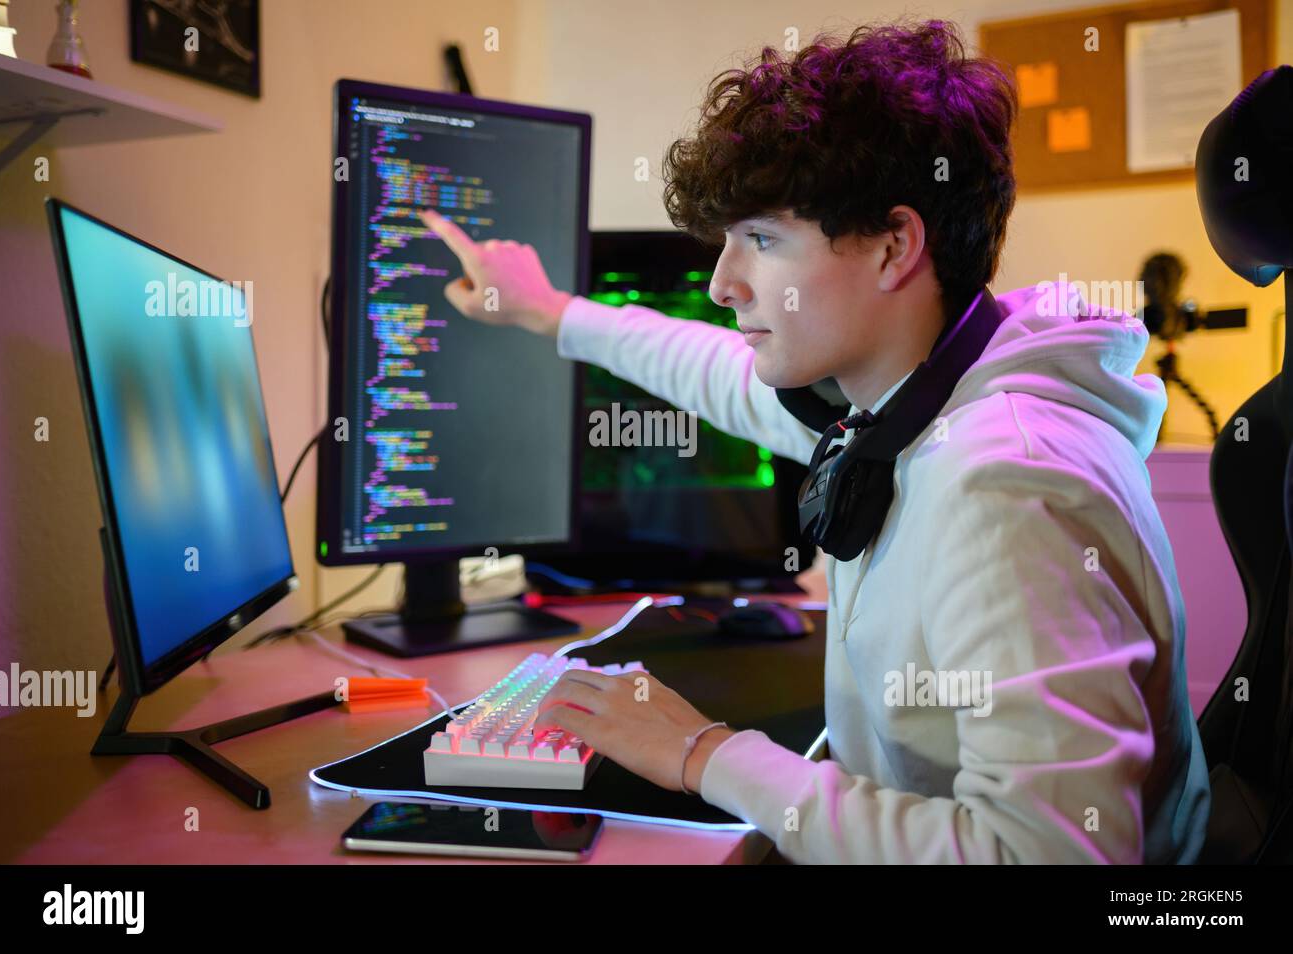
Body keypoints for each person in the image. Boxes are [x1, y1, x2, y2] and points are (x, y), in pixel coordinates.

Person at [420, 18, 1211, 864]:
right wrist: (548, 310)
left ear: (893, 246)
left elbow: (1046, 856)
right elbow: (719, 373)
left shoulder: (1004, 486)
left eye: (761, 239)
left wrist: (705, 754)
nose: (724, 284)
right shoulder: (913, 402)